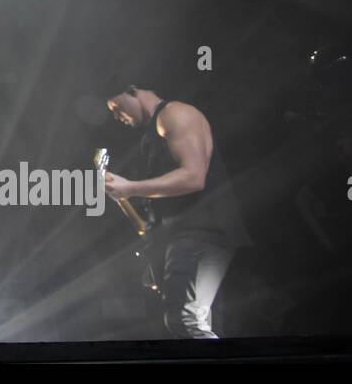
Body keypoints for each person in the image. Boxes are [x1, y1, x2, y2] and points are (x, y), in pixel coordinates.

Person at [104, 84, 253, 338]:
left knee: (185, 320)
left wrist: (132, 187)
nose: (117, 116)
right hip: (181, 236)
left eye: (117, 107)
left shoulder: (174, 114)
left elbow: (194, 177)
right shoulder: (151, 137)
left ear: (132, 90)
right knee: (198, 323)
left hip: (201, 233)